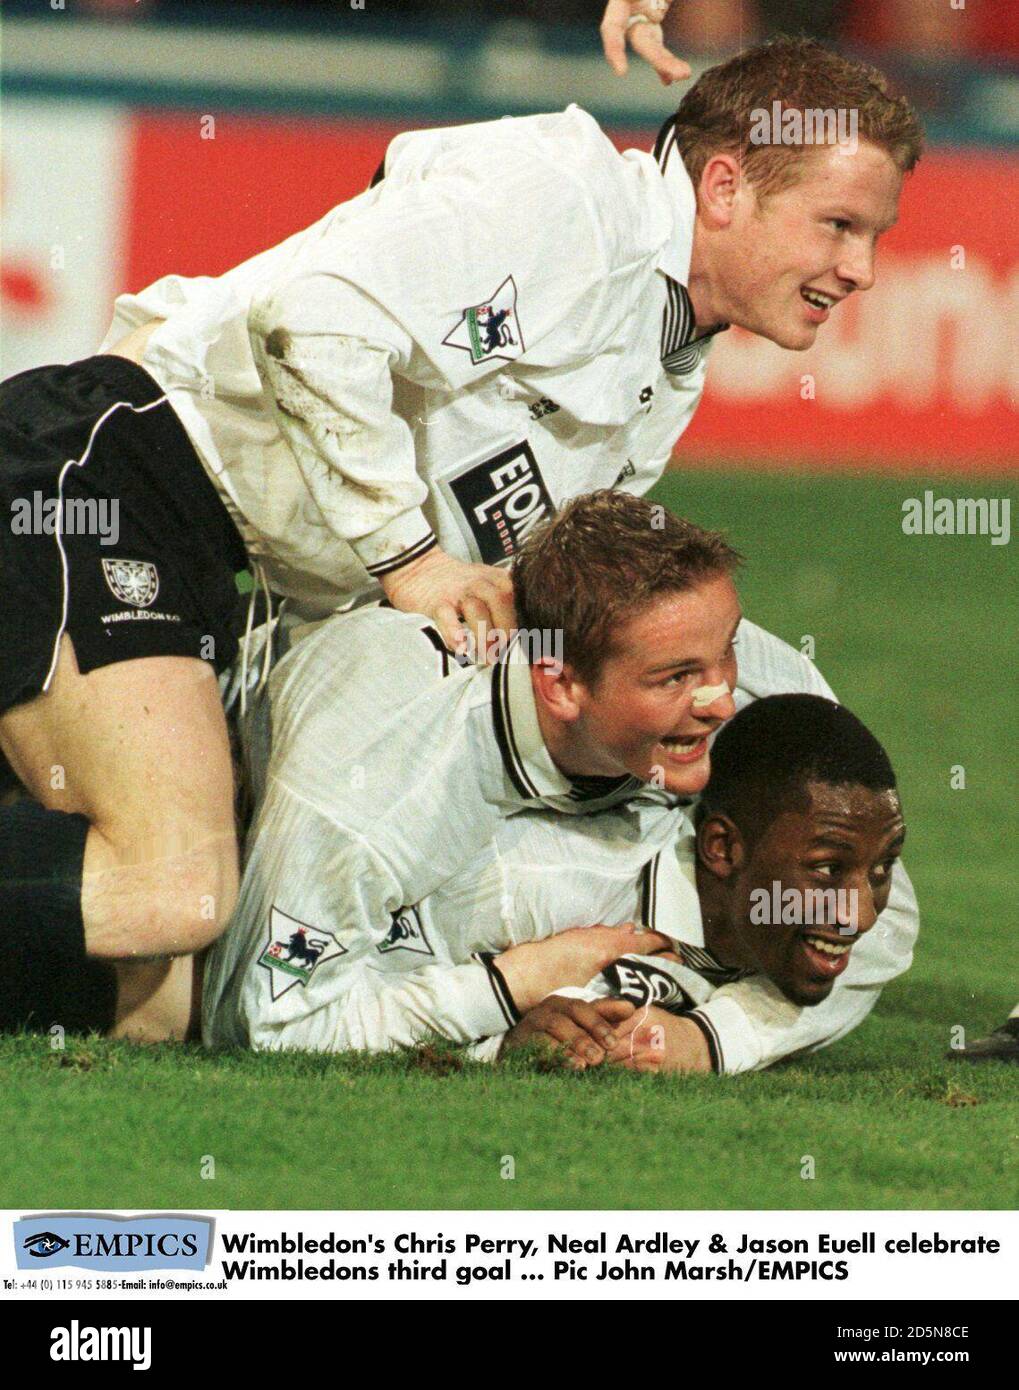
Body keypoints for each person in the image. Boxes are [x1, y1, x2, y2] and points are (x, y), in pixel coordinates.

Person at [0, 36, 923, 1035]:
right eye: (837, 225)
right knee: (174, 889)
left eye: (871, 236)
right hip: (109, 467)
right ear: (727, 185)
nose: (859, 269)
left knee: (161, 993)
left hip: (207, 566)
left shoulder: (663, 363)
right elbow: (308, 318)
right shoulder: (563, 196)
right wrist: (405, 556)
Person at [201, 498, 919, 1067]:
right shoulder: (376, 793)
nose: (721, 700)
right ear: (562, 685)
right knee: (156, 1002)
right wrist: (512, 987)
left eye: (725, 651)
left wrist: (712, 1041)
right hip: (212, 763)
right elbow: (270, 1024)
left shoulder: (740, 683)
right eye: (676, 678)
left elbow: (882, 917)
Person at [510, 693, 912, 1073]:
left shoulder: (810, 925)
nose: (860, 917)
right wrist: (500, 1021)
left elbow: (890, 937)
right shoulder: (549, 886)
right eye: (827, 869)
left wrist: (709, 1040)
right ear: (722, 848)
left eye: (882, 866)